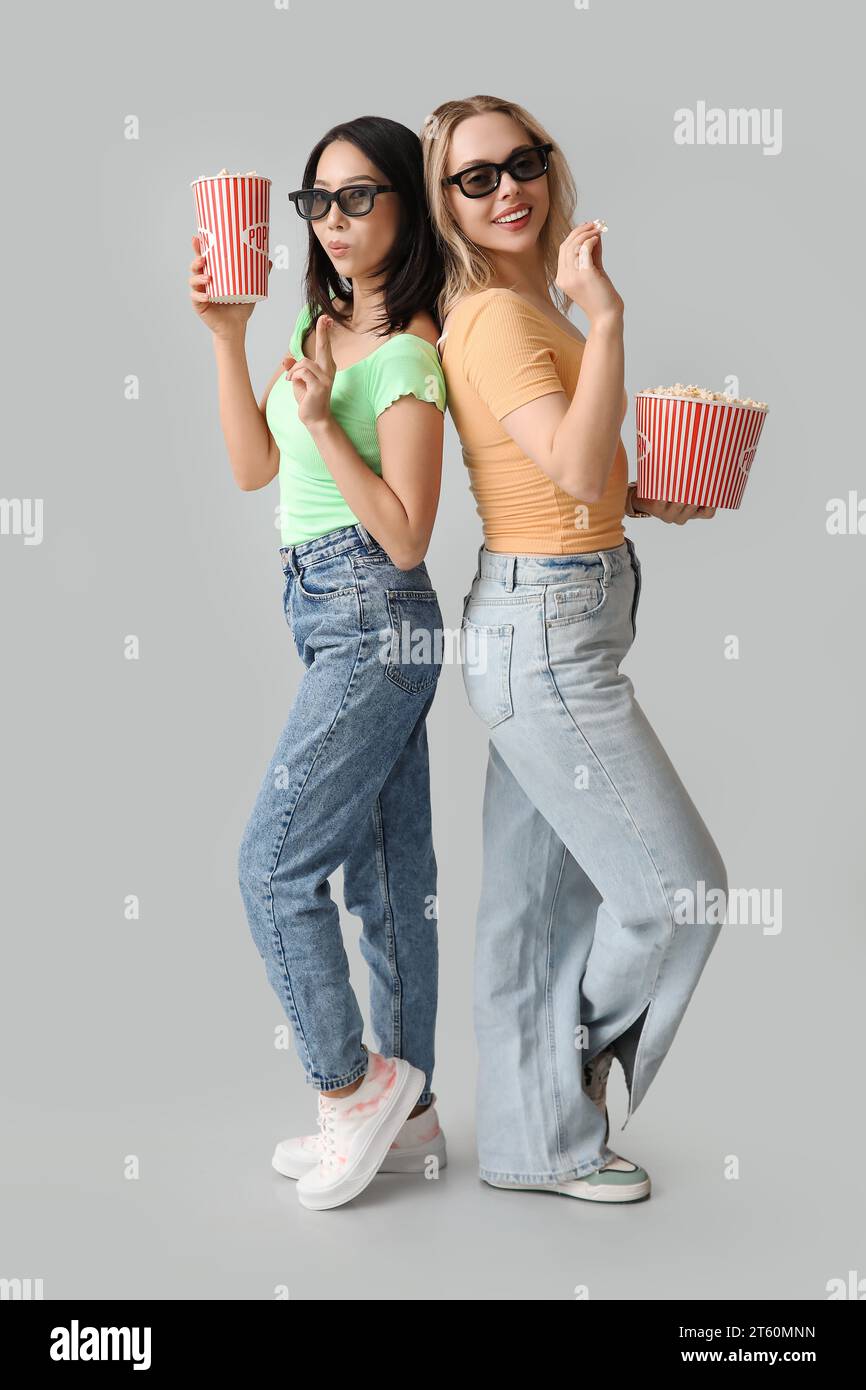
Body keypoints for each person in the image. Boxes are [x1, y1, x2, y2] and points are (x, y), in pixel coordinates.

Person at [421, 93, 728, 1203]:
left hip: (557, 616)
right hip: (543, 636)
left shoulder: (524, 307)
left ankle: (535, 1144)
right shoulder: (501, 319)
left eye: (523, 162)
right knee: (678, 892)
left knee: (536, 914)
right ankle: (560, 1078)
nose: (508, 189)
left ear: (549, 167)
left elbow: (566, 471)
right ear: (446, 203)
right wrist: (607, 317)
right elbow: (563, 464)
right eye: (475, 178)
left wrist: (642, 499)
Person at [189, 116, 448, 1211]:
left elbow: (408, 536)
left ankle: (354, 1087)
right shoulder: (316, 323)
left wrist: (328, 426)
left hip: (375, 616)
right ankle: (413, 1126)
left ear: (407, 206)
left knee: (273, 864)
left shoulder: (409, 354)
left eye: (359, 197)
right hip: (319, 605)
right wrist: (227, 334)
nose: (334, 221)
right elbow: (255, 469)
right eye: (318, 201)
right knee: (389, 881)